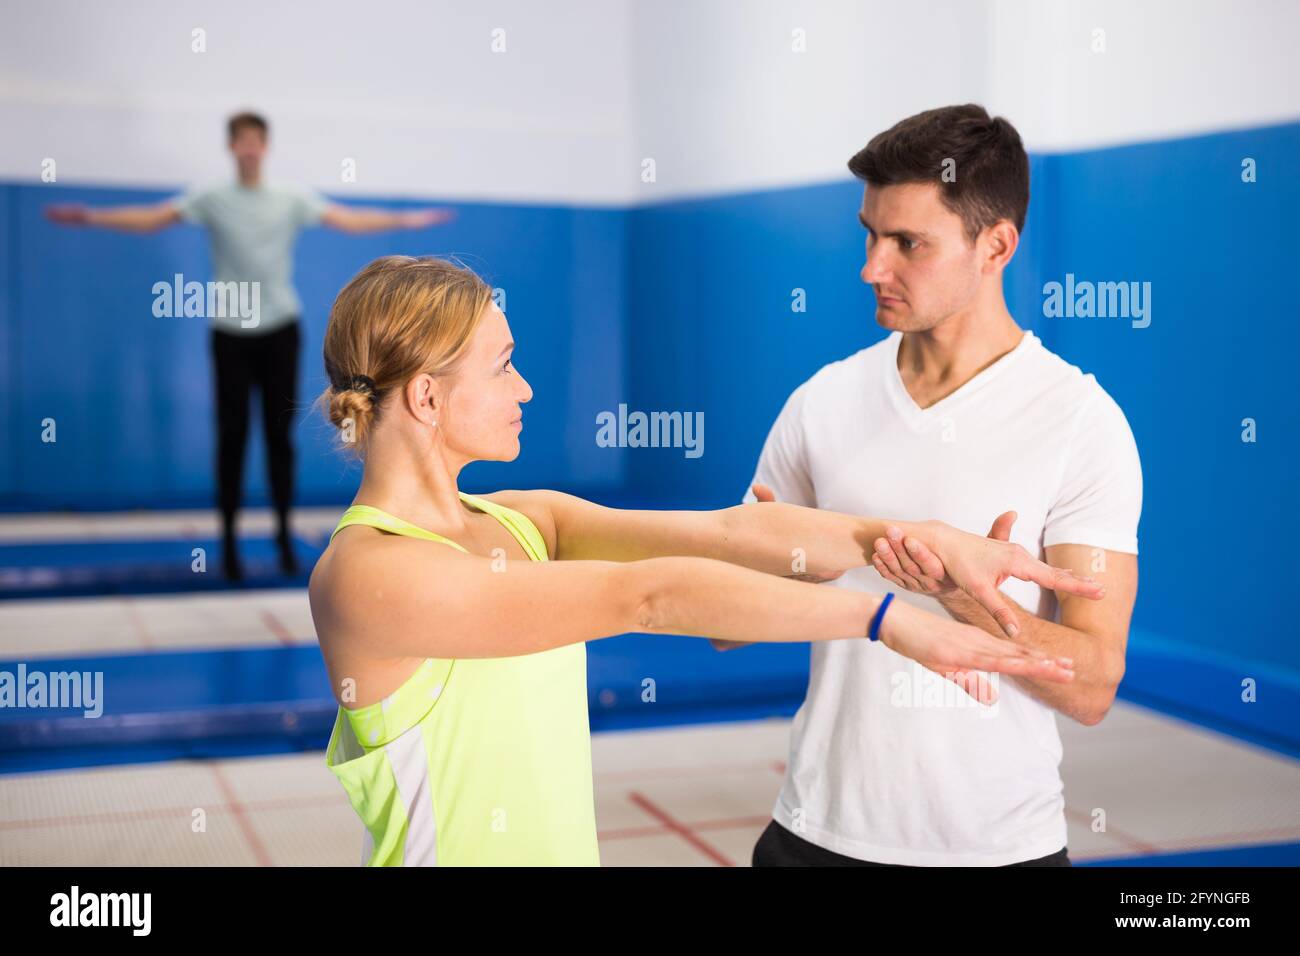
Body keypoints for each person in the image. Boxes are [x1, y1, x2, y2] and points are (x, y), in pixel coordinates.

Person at [306, 254, 1097, 866]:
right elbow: (646, 596)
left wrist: (923, 540)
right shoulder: (368, 573)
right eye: (502, 364)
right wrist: (886, 619)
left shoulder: (520, 521)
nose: (528, 387)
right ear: (425, 398)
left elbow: (726, 534)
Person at [732, 104, 1142, 867]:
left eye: (907, 244)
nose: (871, 267)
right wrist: (799, 560)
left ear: (996, 246)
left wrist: (962, 597)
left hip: (997, 849)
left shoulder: (1082, 422)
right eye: (869, 233)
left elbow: (1091, 685)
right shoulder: (821, 401)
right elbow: (725, 621)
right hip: (813, 836)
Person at [45, 111, 454, 581]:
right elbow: (154, 218)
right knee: (232, 438)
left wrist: (408, 218)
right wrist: (91, 217)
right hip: (230, 333)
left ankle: (282, 537)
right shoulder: (213, 197)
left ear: (265, 146)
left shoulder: (289, 198)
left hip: (280, 329)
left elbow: (349, 219)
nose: (249, 148)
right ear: (232, 147)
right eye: (241, 141)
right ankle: (229, 543)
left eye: (256, 141)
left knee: (278, 438)